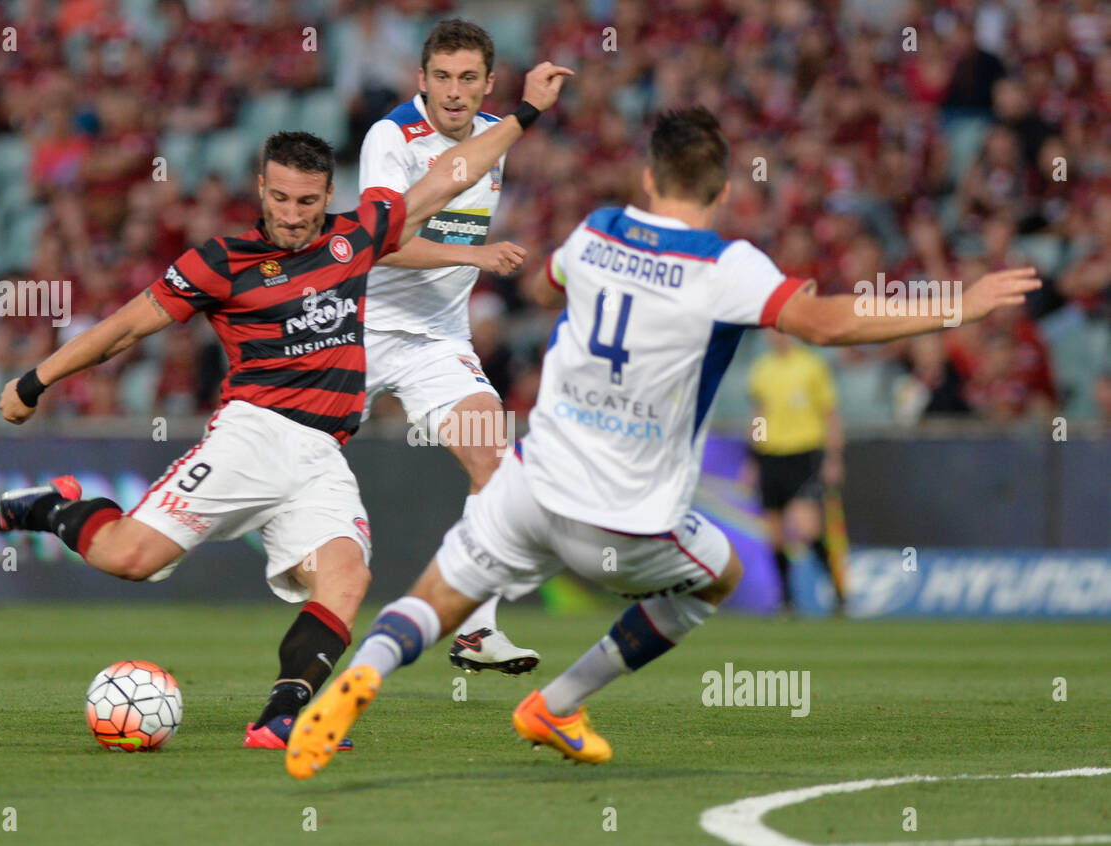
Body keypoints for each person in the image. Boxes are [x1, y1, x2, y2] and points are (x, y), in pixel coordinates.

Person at [285, 107, 1040, 778]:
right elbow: (831, 324)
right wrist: (958, 304)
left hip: (530, 481)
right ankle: (558, 702)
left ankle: (368, 671)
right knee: (717, 575)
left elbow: (546, 286)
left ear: (646, 177)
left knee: (436, 598)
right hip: (624, 516)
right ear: (723, 193)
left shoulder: (597, 231)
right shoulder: (726, 266)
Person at [0, 61, 573, 752]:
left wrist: (524, 115)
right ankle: (48, 504)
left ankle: (281, 717)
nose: (293, 216)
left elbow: (450, 175)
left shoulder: (356, 237)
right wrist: (35, 380)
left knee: (348, 578)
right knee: (128, 558)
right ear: (261, 189)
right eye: (281, 200)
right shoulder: (223, 260)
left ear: (330, 194)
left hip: (324, 452)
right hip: (252, 437)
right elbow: (125, 326)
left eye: (307, 202)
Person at [358, 18, 539, 675]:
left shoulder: (496, 138)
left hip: (437, 340)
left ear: (488, 84)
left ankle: (475, 630)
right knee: (281, 454)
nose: (454, 92)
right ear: (421, 80)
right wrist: (478, 253)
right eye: (442, 77)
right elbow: (384, 240)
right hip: (359, 327)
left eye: (468, 79)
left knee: (496, 461)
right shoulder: (391, 136)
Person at [746, 329, 846, 612]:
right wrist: (754, 455)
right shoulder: (762, 368)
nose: (775, 336)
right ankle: (787, 600)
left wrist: (833, 458)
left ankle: (838, 594)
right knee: (775, 534)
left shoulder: (812, 365)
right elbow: (759, 414)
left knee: (807, 528)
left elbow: (830, 413)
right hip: (770, 456)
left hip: (804, 454)